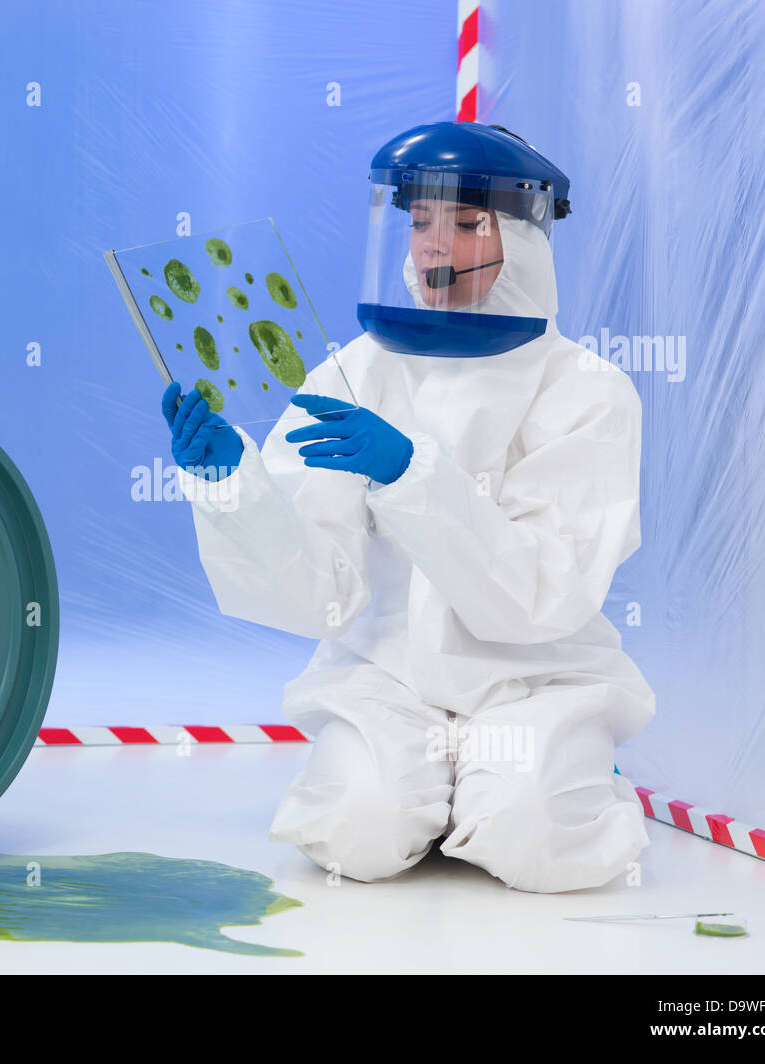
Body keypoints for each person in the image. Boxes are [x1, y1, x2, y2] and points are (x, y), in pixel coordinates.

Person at [160, 121, 655, 893]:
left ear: (522, 238)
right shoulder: (351, 374)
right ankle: (432, 791)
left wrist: (411, 474)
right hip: (386, 682)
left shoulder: (586, 392)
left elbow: (538, 597)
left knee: (532, 841)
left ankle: (546, 777)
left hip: (535, 684)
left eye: (465, 224)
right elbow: (317, 591)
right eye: (420, 221)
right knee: (360, 833)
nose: (433, 246)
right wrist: (234, 486)